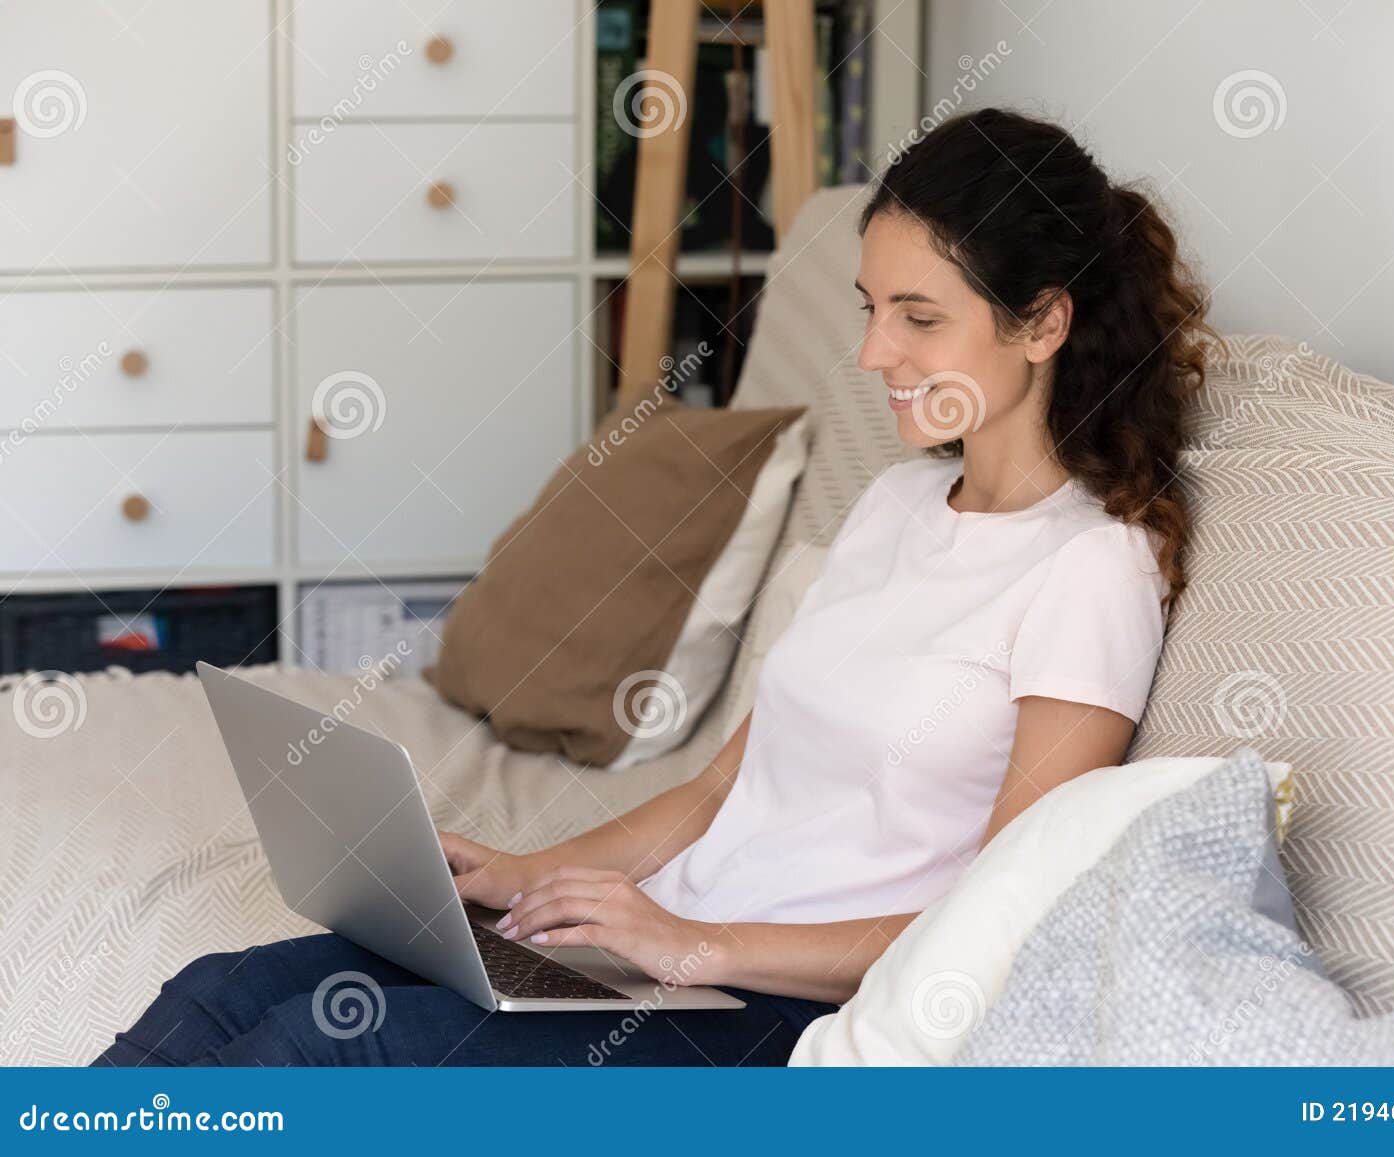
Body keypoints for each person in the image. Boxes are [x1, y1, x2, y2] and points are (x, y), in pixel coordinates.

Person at [93, 106, 1218, 1067]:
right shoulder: (891, 508)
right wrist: (529, 875)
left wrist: (698, 946)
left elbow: (998, 918)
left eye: (919, 318)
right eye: (870, 307)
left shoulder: (1090, 568)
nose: (874, 353)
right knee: (225, 988)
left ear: (1043, 322)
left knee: (332, 1047)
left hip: (771, 1010)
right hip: (663, 957)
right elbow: (725, 787)